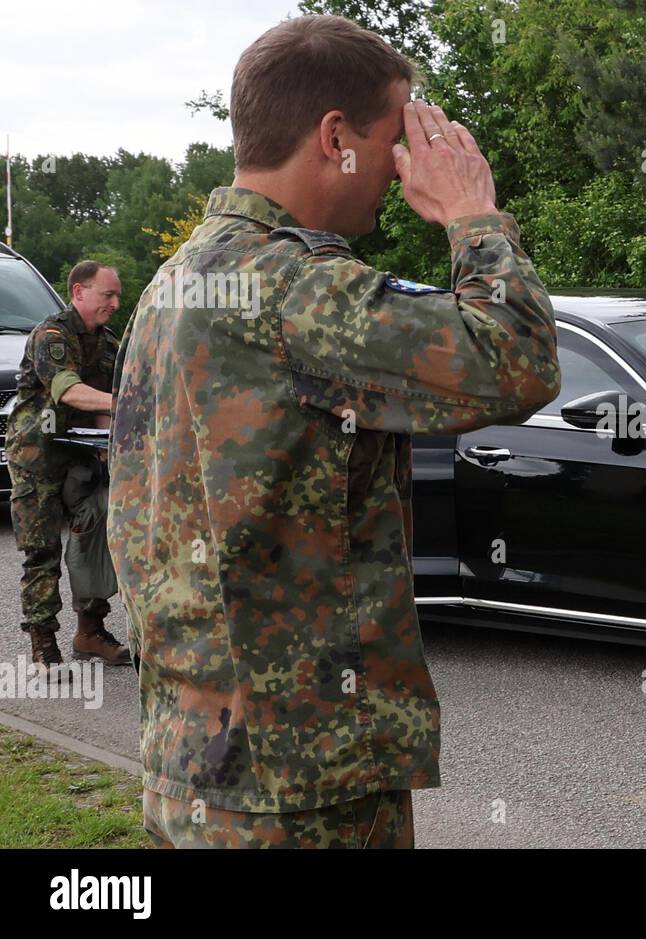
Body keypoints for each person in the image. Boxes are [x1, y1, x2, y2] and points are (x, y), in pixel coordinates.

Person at [108, 15, 560, 848]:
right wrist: (472, 213)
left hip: (196, 758)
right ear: (334, 136)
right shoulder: (298, 290)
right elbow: (517, 360)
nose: (400, 170)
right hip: (303, 786)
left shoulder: (174, 282)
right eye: (395, 138)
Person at [8, 260, 129, 667]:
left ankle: (90, 631)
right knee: (41, 551)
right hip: (36, 456)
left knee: (98, 532)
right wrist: (128, 404)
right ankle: (44, 645)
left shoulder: (109, 344)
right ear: (79, 292)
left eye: (117, 295)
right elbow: (69, 391)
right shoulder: (53, 334)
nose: (115, 302)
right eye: (107, 294)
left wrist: (110, 441)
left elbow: (102, 405)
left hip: (81, 454)